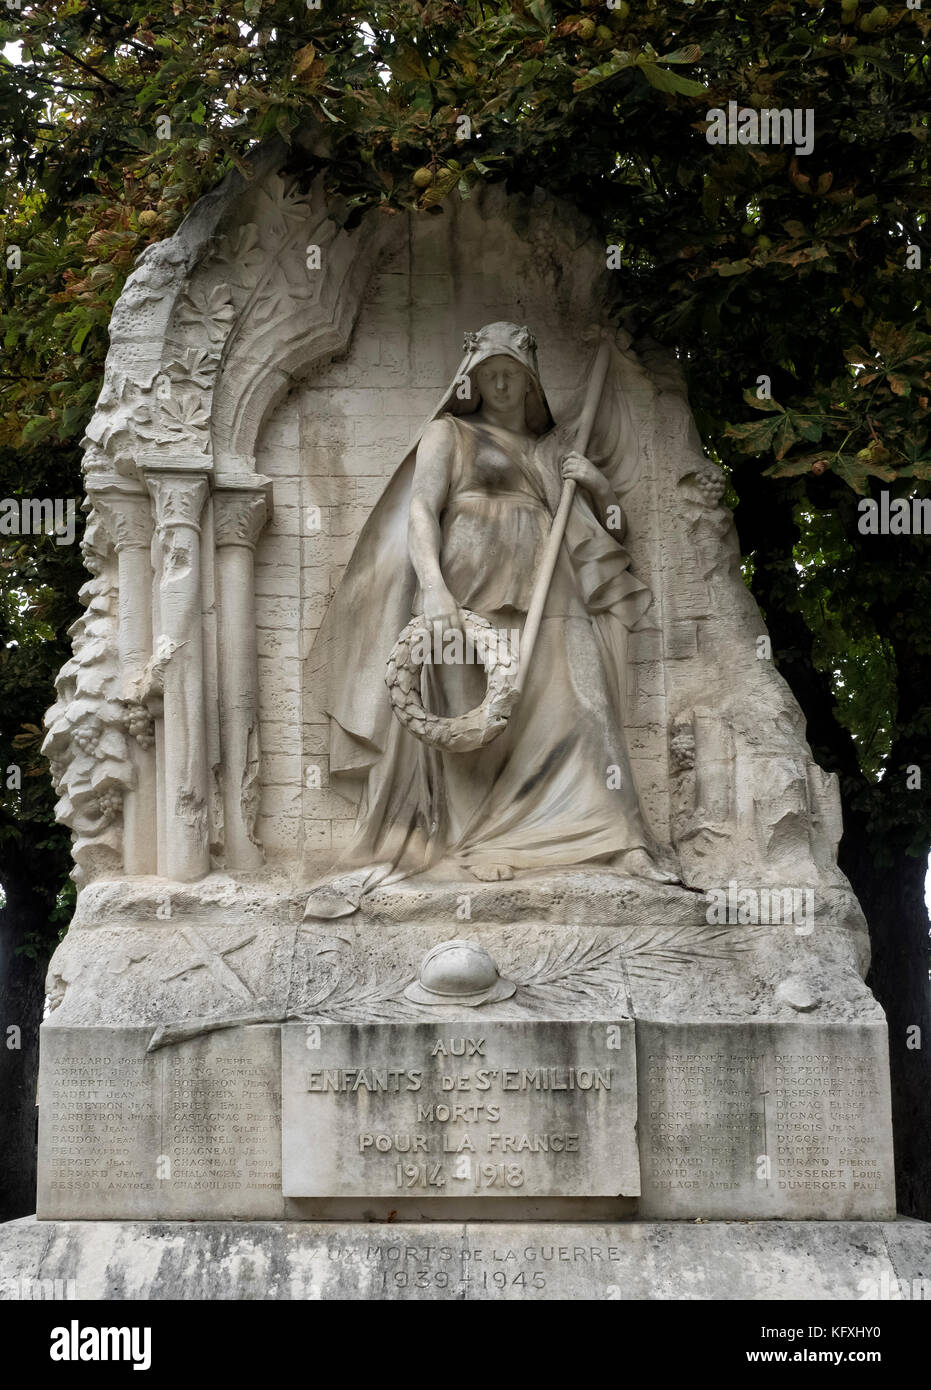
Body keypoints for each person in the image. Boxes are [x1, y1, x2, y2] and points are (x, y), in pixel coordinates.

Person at [305, 322, 676, 918]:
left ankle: (619, 840)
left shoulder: (555, 451)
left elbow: (614, 534)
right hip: (465, 591)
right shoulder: (447, 433)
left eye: (512, 374)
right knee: (468, 725)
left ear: (531, 383)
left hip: (550, 590)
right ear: (471, 382)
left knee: (587, 707)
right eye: (490, 374)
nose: (501, 383)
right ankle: (473, 843)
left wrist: (598, 484)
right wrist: (433, 589)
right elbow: (422, 512)